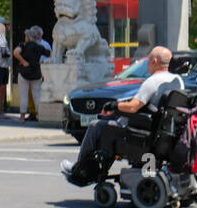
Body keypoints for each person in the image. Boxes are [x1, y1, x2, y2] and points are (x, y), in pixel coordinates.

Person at [60, 45, 181, 182]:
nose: (147, 64)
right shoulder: (178, 81)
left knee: (96, 126)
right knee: (110, 123)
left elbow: (133, 107)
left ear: (154, 62)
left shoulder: (152, 82)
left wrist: (114, 105)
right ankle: (98, 168)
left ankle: (79, 168)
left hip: (142, 133)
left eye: (148, 60)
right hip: (163, 133)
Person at [14, 26, 49, 122]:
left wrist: (23, 61)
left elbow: (16, 53)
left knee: (23, 95)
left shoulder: (23, 45)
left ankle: (22, 117)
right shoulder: (40, 47)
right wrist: (41, 63)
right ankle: (40, 116)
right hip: (36, 72)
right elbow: (50, 54)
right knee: (37, 95)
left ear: (28, 37)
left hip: (24, 72)